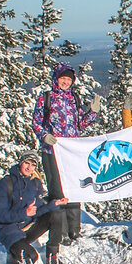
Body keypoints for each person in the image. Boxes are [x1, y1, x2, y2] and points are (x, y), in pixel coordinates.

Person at [33, 63, 100, 244]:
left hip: (72, 151)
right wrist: (44, 135)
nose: (65, 82)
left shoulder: (73, 98)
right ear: (56, 78)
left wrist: (92, 113)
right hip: (52, 151)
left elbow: (81, 124)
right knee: (57, 191)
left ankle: (74, 229)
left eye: (68, 79)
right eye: (62, 78)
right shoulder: (45, 98)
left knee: (74, 189)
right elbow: (36, 122)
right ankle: (59, 230)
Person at [0, 151, 68, 264]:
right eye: (27, 163)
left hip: (28, 228)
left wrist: (53, 204)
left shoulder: (35, 183)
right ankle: (13, 252)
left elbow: (37, 211)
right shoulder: (6, 183)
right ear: (21, 162)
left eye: (33, 165)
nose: (29, 167)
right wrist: (24, 213)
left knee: (55, 214)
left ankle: (53, 255)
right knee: (31, 258)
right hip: (10, 231)